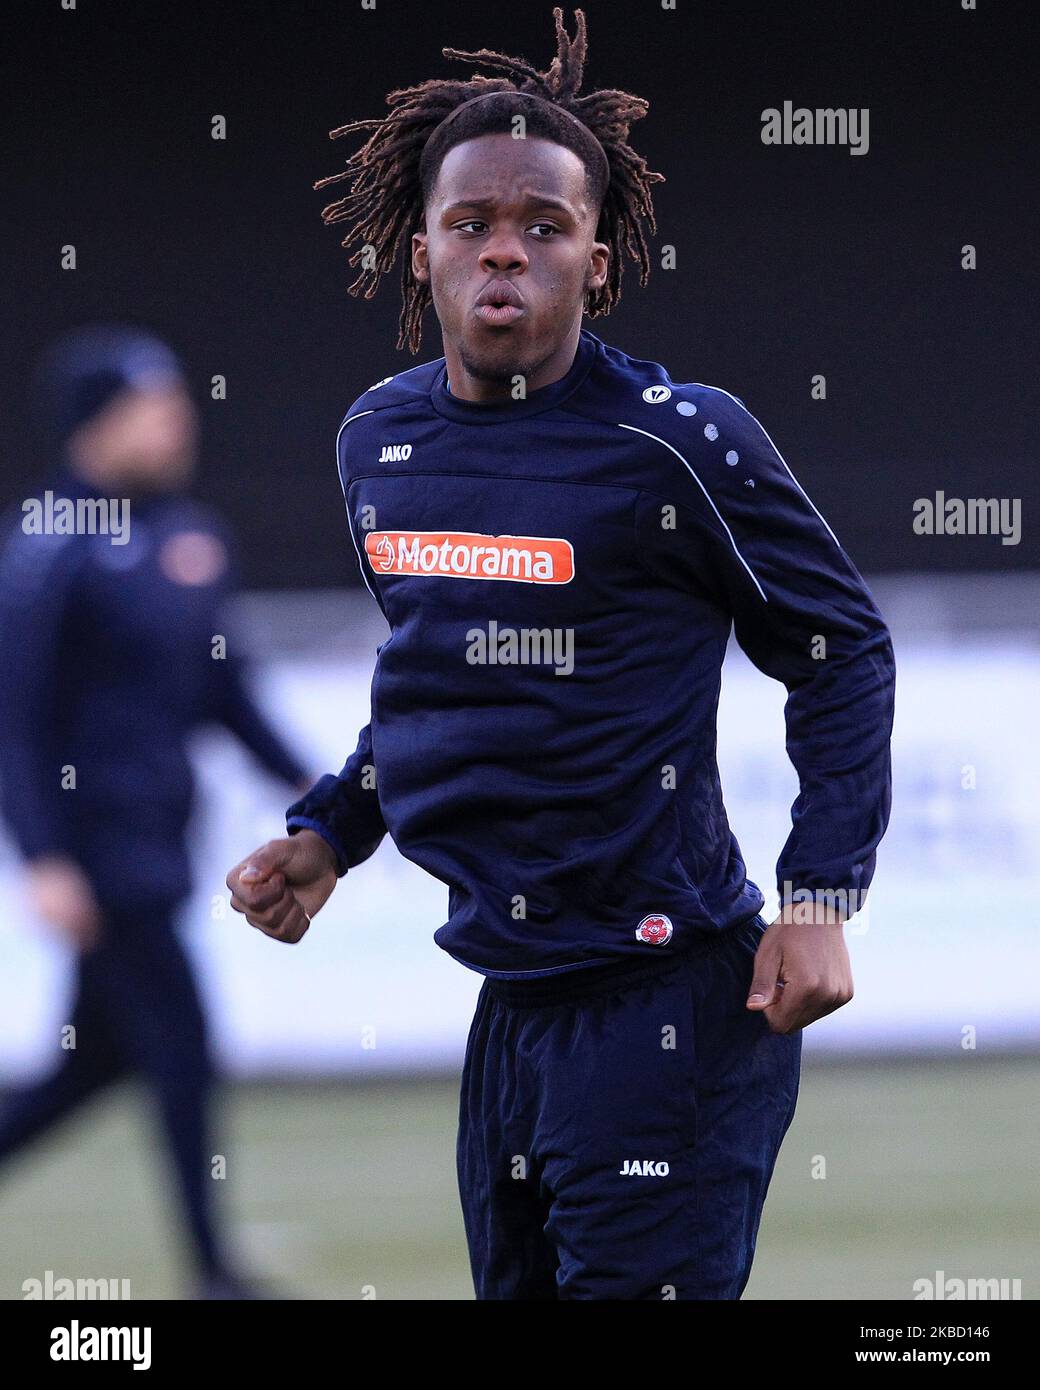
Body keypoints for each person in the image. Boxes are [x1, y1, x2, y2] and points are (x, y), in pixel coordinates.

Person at [227, 8, 896, 1299]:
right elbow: (447, 679)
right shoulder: (378, 441)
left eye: (545, 223)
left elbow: (840, 648)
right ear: (417, 248)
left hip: (673, 1003)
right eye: (470, 221)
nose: (505, 250)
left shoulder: (679, 441)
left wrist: (822, 897)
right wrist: (328, 834)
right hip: (510, 1009)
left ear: (600, 257)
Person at [0, 324, 310, 1299]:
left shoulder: (187, 539)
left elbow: (228, 696)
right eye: (151, 403)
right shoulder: (49, 543)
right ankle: (213, 1270)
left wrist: (328, 795)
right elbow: (16, 719)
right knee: (178, 1044)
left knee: (91, 1066)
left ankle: (212, 1261)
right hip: (99, 851)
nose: (177, 419)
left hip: (159, 840)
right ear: (95, 423)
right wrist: (45, 856)